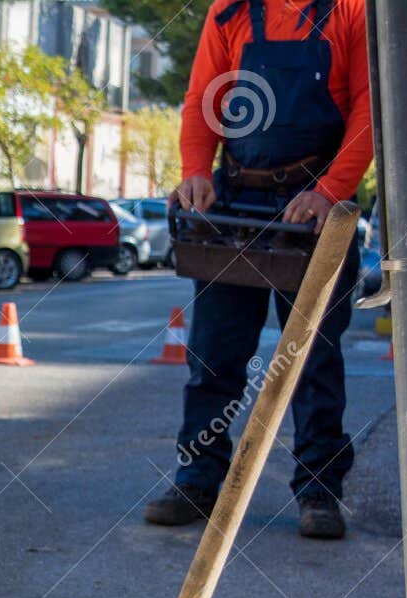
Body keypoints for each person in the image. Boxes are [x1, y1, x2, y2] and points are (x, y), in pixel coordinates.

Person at [146, 0, 372, 540]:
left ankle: (319, 491)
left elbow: (369, 115)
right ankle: (198, 480)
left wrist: (329, 193)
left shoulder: (351, 12)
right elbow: (203, 97)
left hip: (314, 209)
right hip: (235, 207)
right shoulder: (229, 12)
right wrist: (196, 170)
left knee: (314, 359)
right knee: (214, 356)